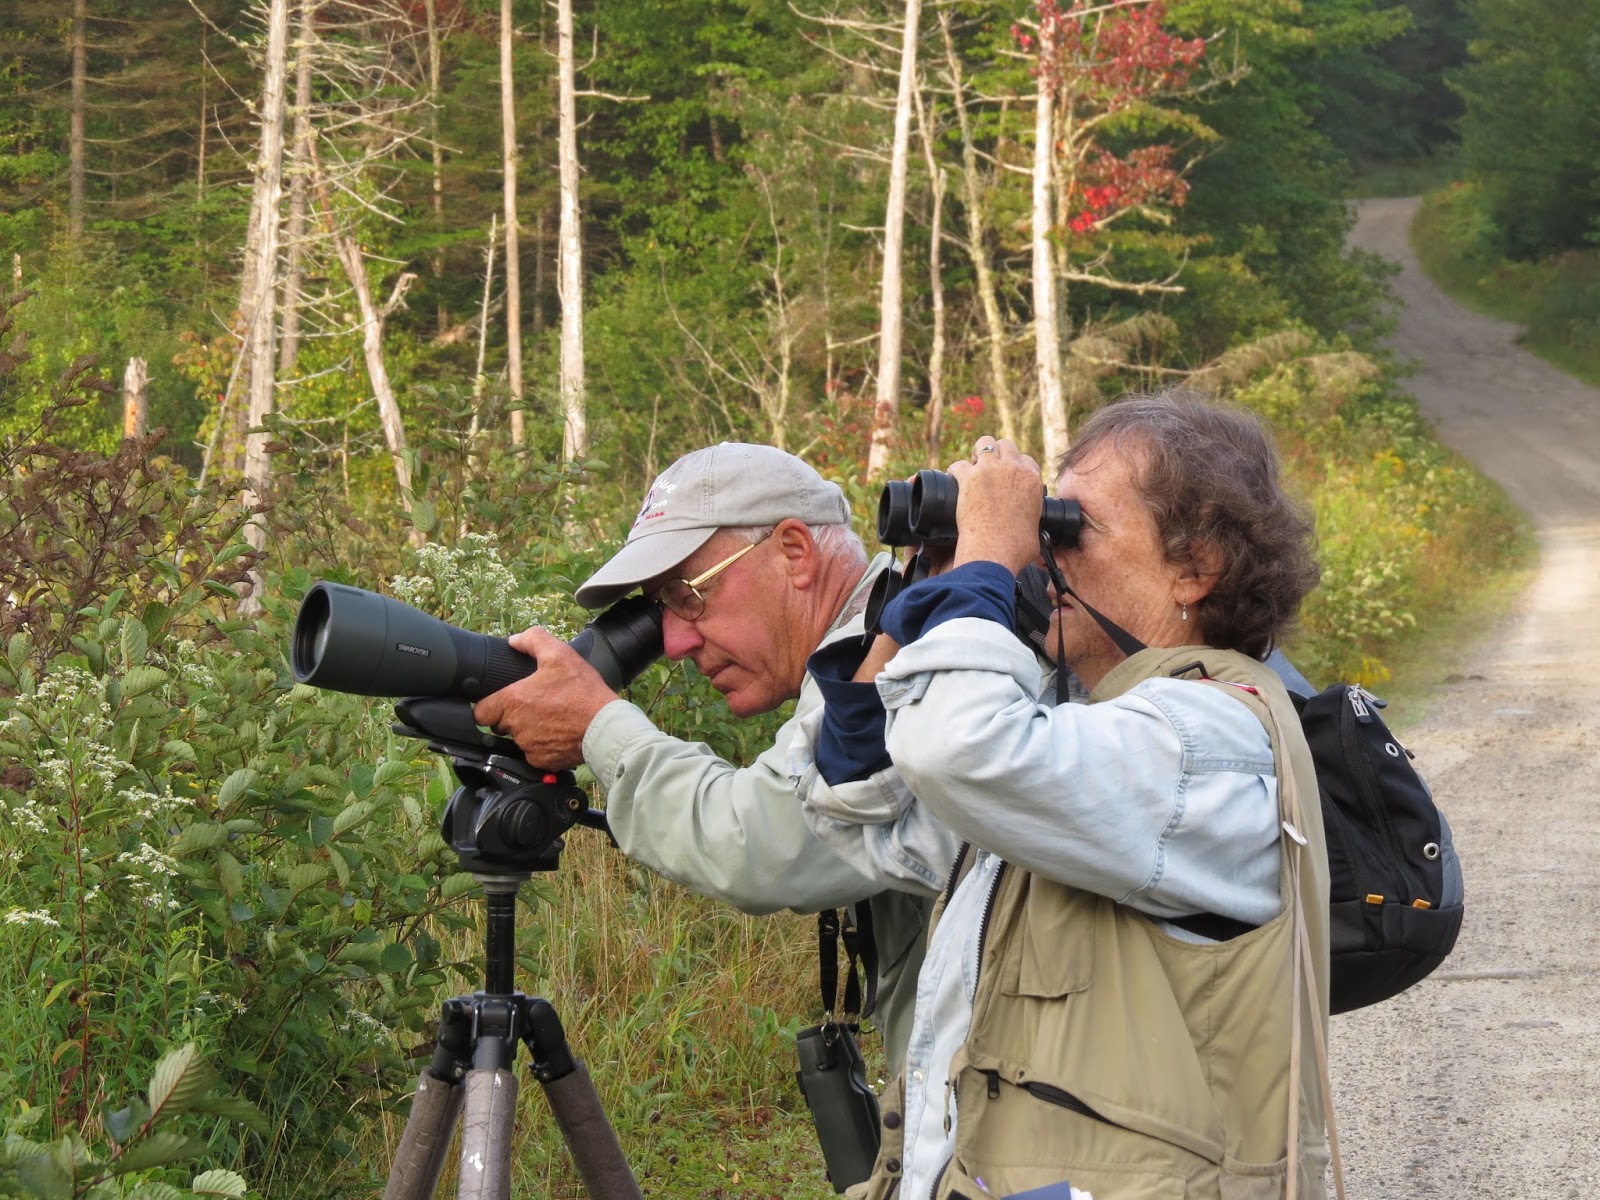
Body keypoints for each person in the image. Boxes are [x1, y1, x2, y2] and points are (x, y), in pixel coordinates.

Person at [791, 392, 1333, 1199]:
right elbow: (857, 801)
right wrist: (927, 600)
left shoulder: (1206, 743)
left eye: (1070, 528)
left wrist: (987, 560)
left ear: (1195, 569)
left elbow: (955, 747)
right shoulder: (1073, 733)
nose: (1044, 556)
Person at [471, 441, 940, 1074]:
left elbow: (766, 843)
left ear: (795, 552)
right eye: (659, 608)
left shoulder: (906, 655)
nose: (672, 641)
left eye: (687, 595)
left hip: (1043, 1152)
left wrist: (597, 726)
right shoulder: (885, 635)